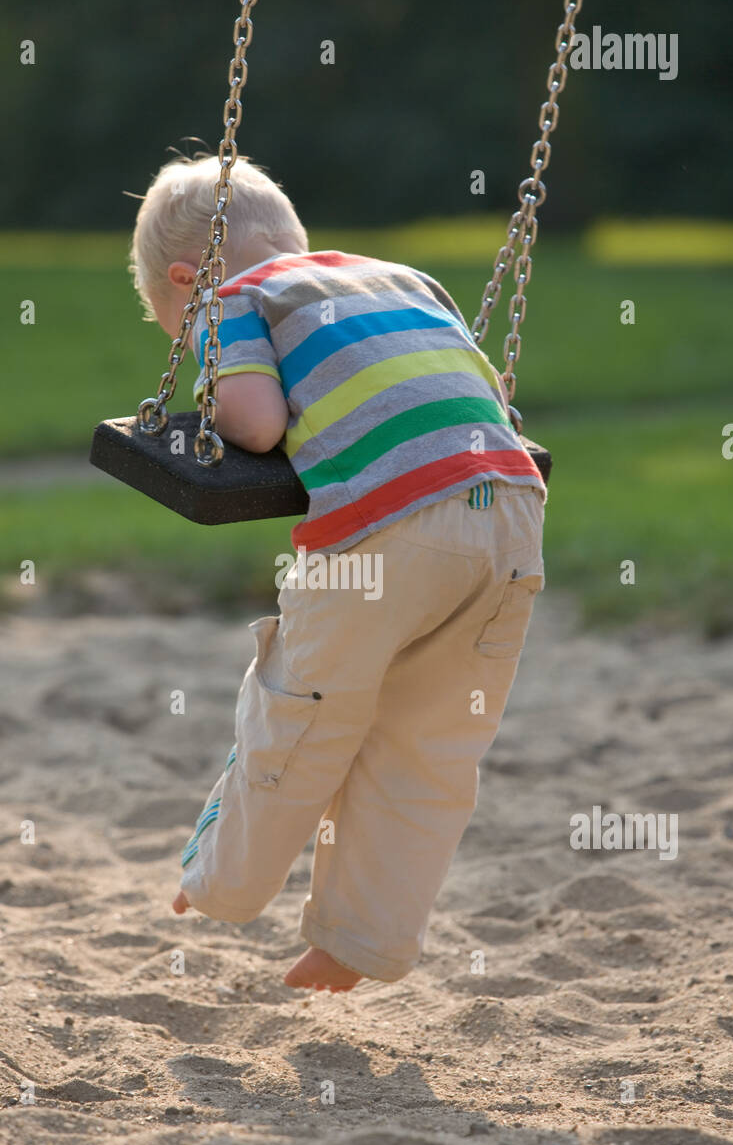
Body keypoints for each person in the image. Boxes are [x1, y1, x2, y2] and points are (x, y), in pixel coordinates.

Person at [129, 152, 546, 991]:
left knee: (301, 711)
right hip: (510, 515)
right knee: (429, 747)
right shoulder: (406, 279)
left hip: (383, 535)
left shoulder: (235, 296)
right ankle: (357, 942)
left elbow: (254, 421)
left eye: (178, 330)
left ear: (190, 278)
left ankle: (220, 882)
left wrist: (217, 377)